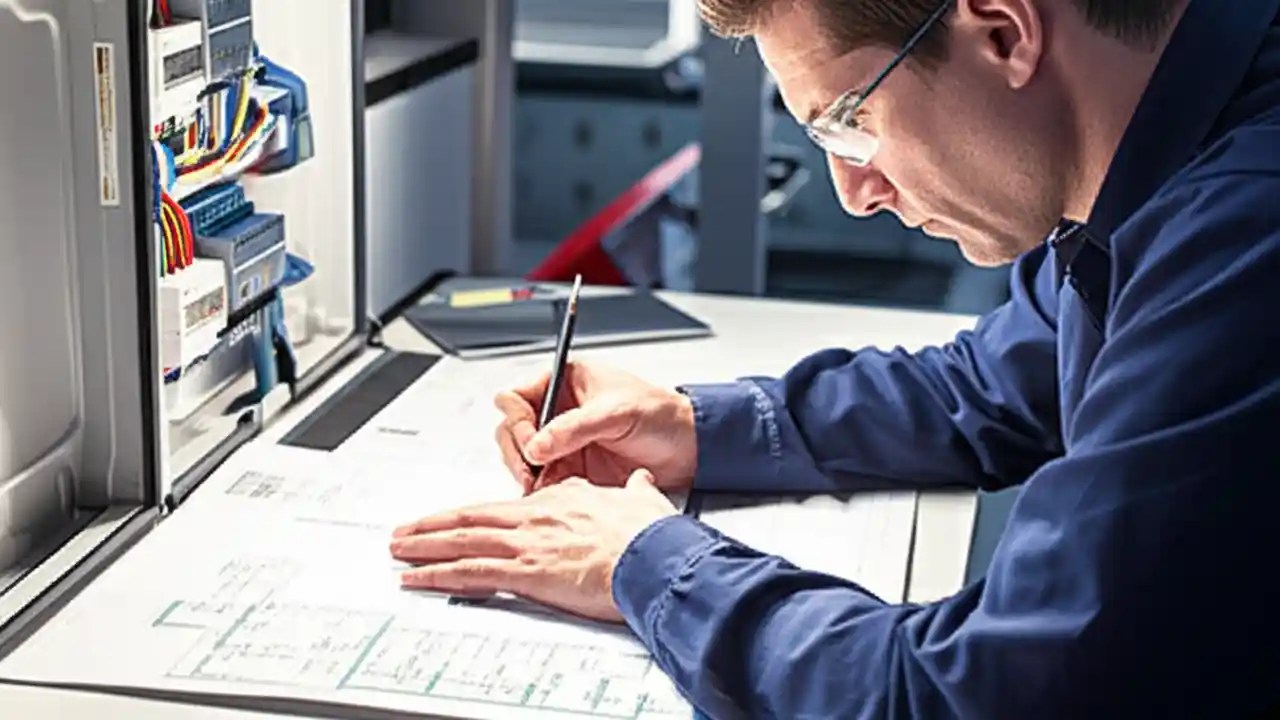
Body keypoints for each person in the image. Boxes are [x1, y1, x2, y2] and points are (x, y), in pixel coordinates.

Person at [389, 0, 1280, 716]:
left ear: (1003, 30)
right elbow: (992, 386)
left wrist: (648, 563)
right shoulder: (1147, 174)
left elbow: (978, 695)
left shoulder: (1246, 235)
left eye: (852, 124)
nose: (855, 195)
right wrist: (695, 426)